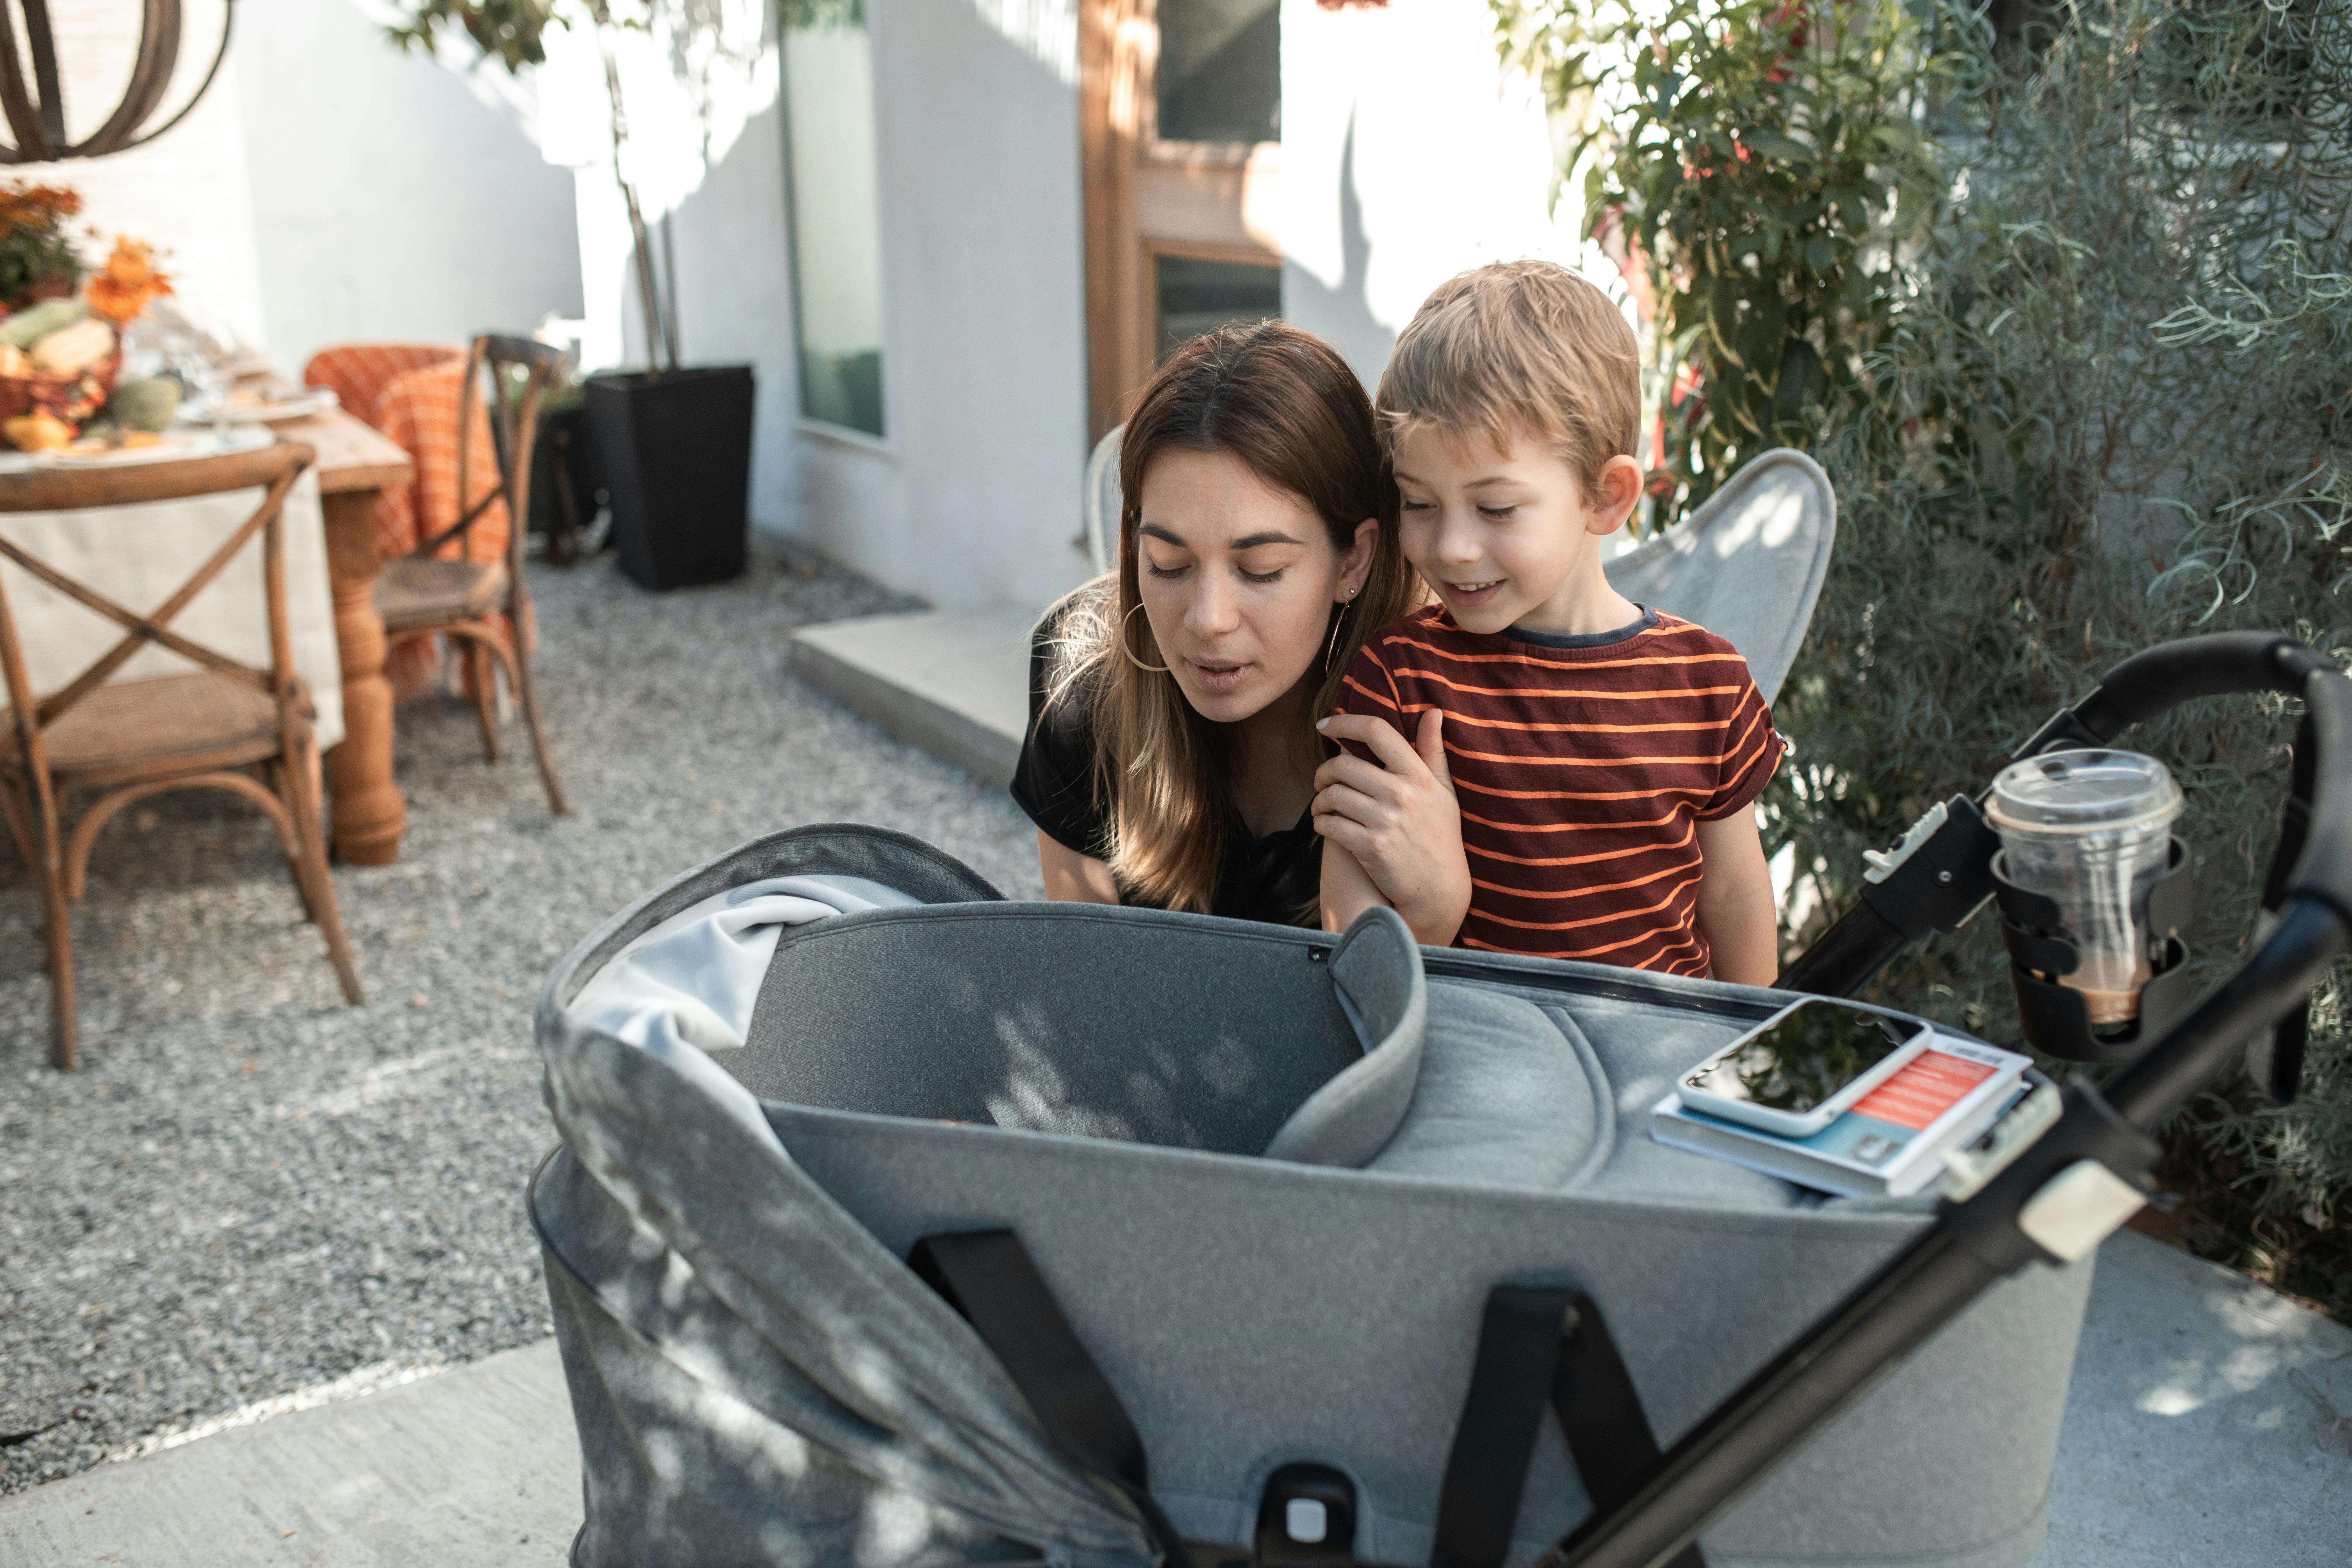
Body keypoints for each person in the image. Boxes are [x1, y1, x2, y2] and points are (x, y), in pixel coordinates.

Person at [1316, 260, 1782, 983]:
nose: (1451, 547)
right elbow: (1348, 921)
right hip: (1469, 1055)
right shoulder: (1396, 680)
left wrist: (1744, 1056)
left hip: (1656, 1063)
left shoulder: (1707, 683)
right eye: (1419, 502)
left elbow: (1734, 892)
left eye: (1496, 508)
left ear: (1606, 495)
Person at [1012, 321, 1441, 926]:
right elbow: (1085, 985)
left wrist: (1432, 913)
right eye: (1168, 563)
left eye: (1261, 569)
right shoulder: (1080, 677)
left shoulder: (1443, 720)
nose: (1208, 620)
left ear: (1355, 559)